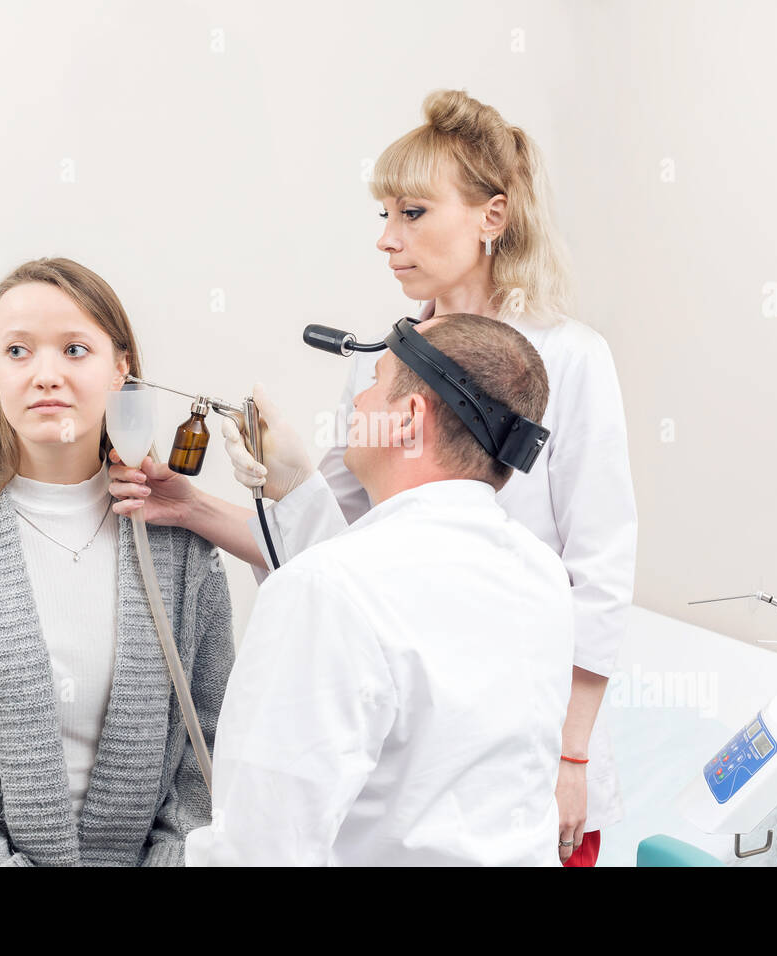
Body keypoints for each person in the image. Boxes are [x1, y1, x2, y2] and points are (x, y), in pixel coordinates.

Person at [109, 90, 638, 865]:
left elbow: (598, 572)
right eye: (383, 215)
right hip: (405, 735)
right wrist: (194, 507)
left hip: (522, 736)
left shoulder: (566, 358)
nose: (388, 240)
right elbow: (327, 544)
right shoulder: (381, 362)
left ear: (493, 217)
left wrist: (571, 756)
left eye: (413, 213)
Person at [0, 257, 234, 866]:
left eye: (74, 349)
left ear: (122, 370)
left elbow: (211, 760)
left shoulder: (183, 550)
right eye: (17, 351)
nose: (45, 375)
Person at [183, 313, 572, 865]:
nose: (358, 405)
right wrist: (296, 490)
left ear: (410, 416)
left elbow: (261, 846)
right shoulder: (540, 575)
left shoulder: (329, 590)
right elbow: (394, 603)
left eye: (374, 382)